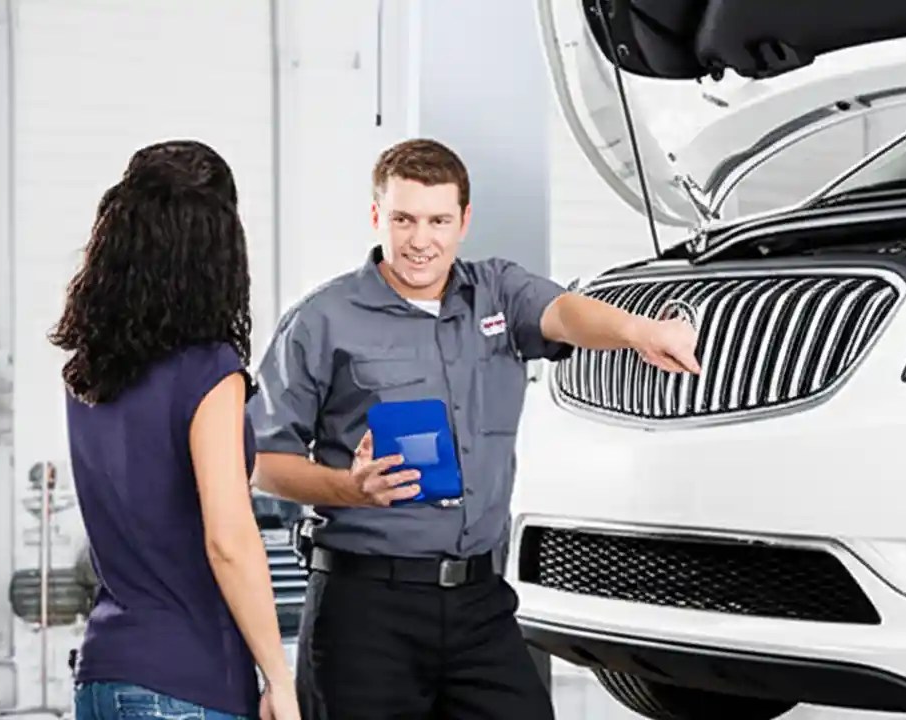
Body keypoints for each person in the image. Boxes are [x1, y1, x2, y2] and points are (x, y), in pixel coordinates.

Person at [248, 138, 699, 719]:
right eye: (403, 219)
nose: (420, 240)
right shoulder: (321, 320)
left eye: (438, 220)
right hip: (364, 608)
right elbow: (262, 460)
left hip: (480, 603)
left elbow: (563, 311)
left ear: (464, 221)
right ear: (376, 216)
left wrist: (639, 332)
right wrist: (347, 489)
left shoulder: (498, 292)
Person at [49, 140, 299, 720]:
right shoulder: (209, 371)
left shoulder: (90, 370)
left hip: (103, 676)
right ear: (217, 250)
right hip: (187, 683)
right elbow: (229, 542)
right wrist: (280, 680)